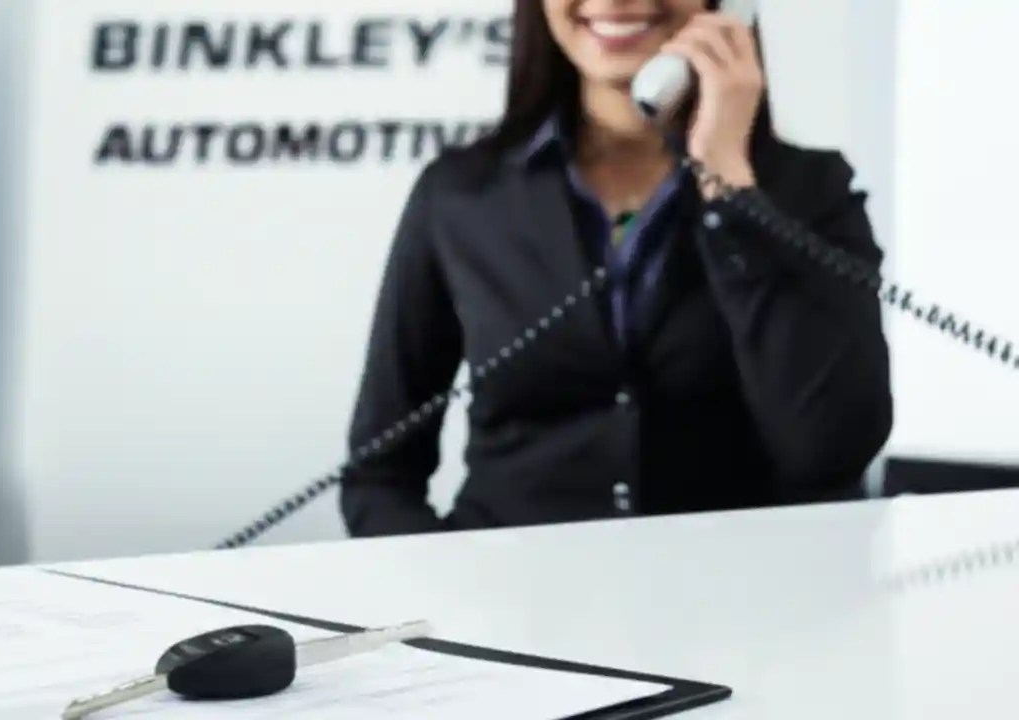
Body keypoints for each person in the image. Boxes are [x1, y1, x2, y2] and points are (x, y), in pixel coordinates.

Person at [339, 0, 893, 537]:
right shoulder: (459, 194)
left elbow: (831, 451)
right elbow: (378, 476)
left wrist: (727, 177)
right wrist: (450, 594)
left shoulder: (810, 192)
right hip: (510, 605)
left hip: (736, 605)